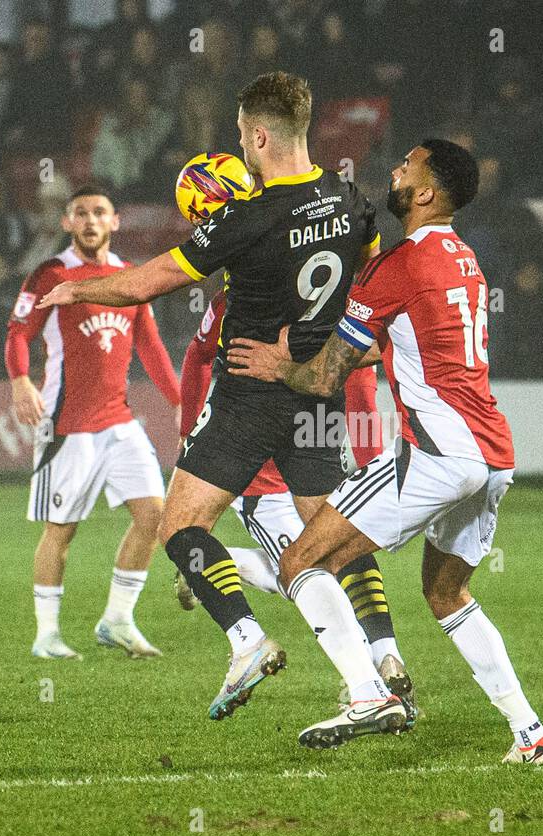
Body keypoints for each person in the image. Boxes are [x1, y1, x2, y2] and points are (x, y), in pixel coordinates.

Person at [37, 72, 399, 731]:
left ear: (259, 136)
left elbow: (150, 282)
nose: (240, 143)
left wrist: (79, 290)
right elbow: (373, 287)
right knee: (321, 543)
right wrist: (326, 353)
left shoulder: (248, 217)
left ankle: (247, 641)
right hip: (317, 397)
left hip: (248, 396)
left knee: (181, 525)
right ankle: (372, 683)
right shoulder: (352, 200)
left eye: (240, 134)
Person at [228, 140, 543, 764]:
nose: (394, 172)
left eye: (406, 167)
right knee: (447, 595)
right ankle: (531, 734)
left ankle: (369, 693)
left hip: (436, 452)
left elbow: (326, 375)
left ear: (427, 192)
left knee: (302, 559)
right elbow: (408, 344)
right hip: (492, 453)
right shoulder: (464, 259)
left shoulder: (400, 266)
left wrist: (280, 363)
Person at [177, 285, 415, 720]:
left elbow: (197, 355)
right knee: (338, 550)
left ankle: (366, 686)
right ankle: (384, 655)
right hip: (307, 453)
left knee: (305, 568)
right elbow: (359, 374)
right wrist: (370, 457)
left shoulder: (236, 299)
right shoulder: (335, 300)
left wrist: (190, 433)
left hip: (264, 470)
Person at [6, 186, 182, 661]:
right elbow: (18, 332)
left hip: (119, 421)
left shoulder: (130, 276)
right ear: (67, 223)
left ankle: (118, 620)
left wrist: (180, 400)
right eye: (80, 213)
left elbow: (150, 345)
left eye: (99, 212)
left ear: (115, 221)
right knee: (61, 531)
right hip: (68, 425)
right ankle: (47, 634)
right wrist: (21, 380)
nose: (90, 220)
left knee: (154, 515)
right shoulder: (51, 274)